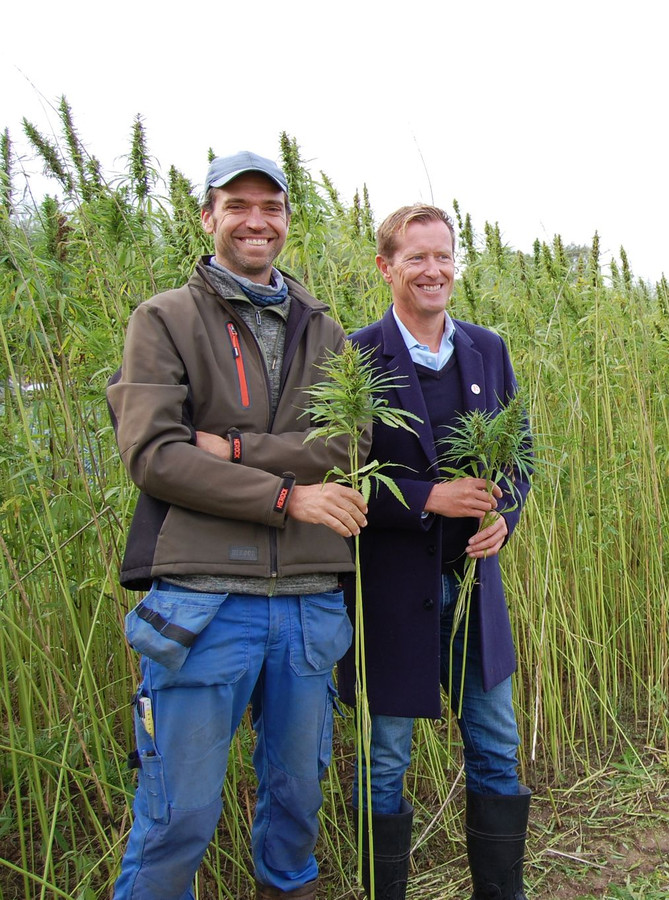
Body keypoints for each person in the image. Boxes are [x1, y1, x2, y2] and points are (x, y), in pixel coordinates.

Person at [106, 151, 370, 900]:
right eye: (237, 205)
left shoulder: (325, 328)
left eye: (272, 207)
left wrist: (229, 447)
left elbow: (351, 445)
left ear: (288, 219)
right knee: (176, 815)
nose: (257, 221)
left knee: (297, 807)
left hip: (310, 602)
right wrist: (290, 496)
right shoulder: (164, 319)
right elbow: (156, 454)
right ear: (208, 217)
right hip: (203, 604)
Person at [338, 205, 531, 900]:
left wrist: (503, 514)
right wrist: (428, 498)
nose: (433, 270)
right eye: (416, 257)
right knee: (384, 759)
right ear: (386, 266)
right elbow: (337, 482)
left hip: (475, 591)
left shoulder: (488, 349)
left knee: (496, 747)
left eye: (443, 256)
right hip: (391, 596)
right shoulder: (355, 357)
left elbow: (519, 456)